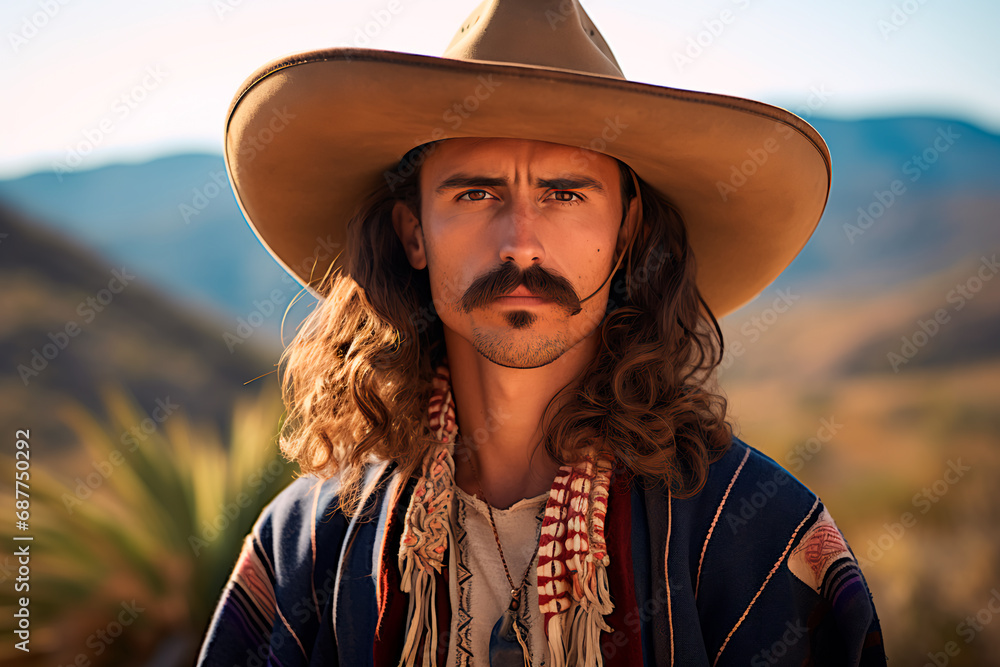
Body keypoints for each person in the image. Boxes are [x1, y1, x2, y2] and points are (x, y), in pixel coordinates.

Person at [197, 1, 887, 665]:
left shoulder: (757, 537)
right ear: (413, 233)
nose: (521, 244)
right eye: (475, 193)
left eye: (565, 195)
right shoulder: (310, 545)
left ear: (626, 233)